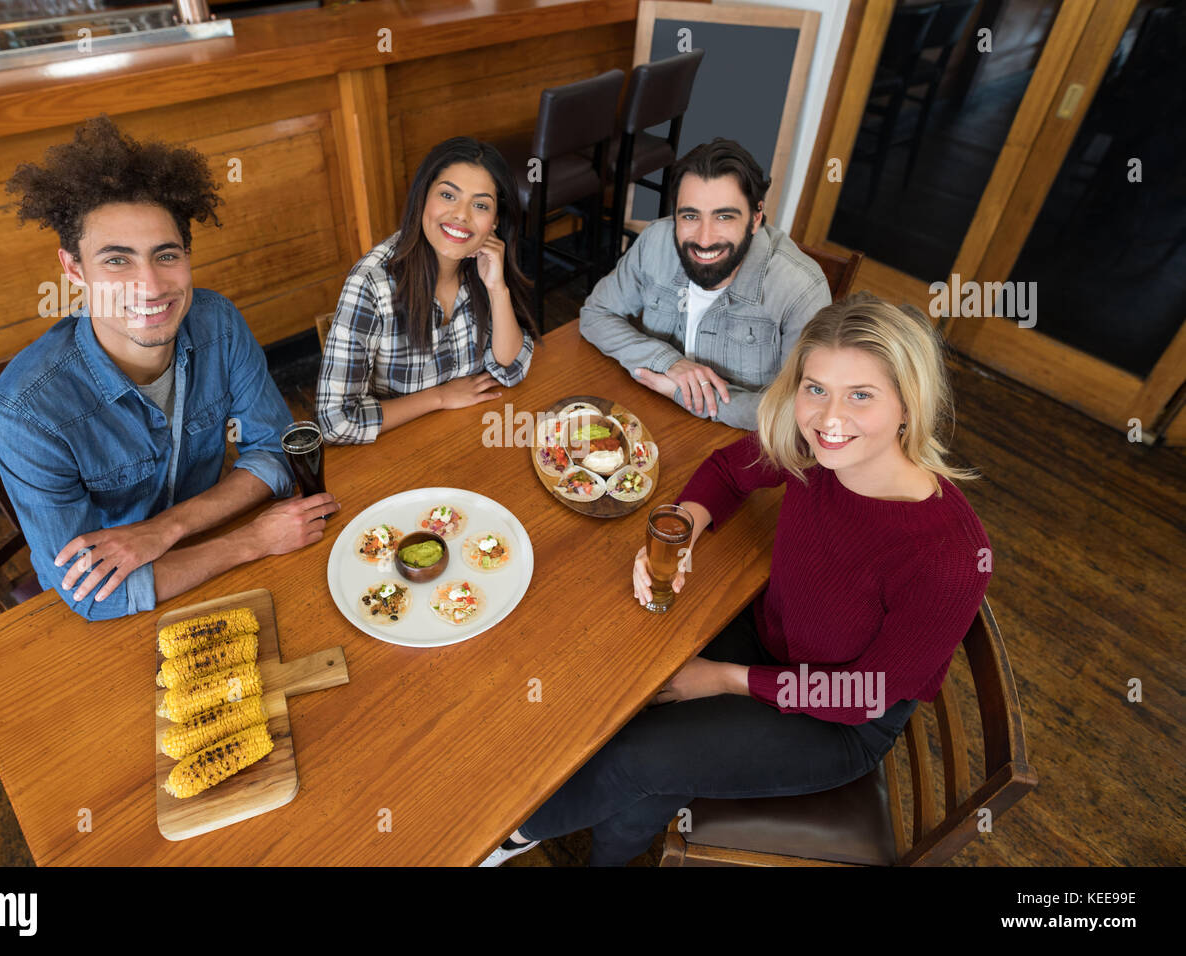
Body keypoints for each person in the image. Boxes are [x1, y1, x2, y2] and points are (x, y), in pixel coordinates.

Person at [484, 292, 992, 866]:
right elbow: (729, 469)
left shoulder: (948, 555)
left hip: (841, 719)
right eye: (816, 388)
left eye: (861, 396)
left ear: (909, 405)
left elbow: (863, 695)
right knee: (629, 684)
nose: (829, 418)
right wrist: (682, 531)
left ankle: (508, 838)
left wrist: (726, 679)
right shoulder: (812, 447)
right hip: (772, 642)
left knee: (637, 755)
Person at [0, 115, 339, 621]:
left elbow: (276, 454)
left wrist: (167, 528)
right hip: (133, 602)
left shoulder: (216, 320)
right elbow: (93, 595)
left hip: (207, 545)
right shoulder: (24, 413)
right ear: (73, 269)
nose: (150, 287)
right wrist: (250, 541)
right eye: (116, 261)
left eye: (166, 255)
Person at [580, 138, 831, 430]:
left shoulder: (801, 289)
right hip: (647, 416)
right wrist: (667, 362)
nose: (704, 238)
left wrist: (681, 393)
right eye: (690, 216)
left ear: (756, 217)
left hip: (740, 445)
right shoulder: (656, 240)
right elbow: (595, 314)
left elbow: (800, 410)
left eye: (724, 216)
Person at [316, 137, 538, 443]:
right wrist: (440, 397)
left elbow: (510, 368)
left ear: (496, 221)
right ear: (423, 197)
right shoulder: (371, 283)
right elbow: (335, 422)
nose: (461, 214)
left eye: (480, 204)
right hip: (397, 447)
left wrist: (498, 289)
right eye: (448, 195)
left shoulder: (484, 262)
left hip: (468, 435)